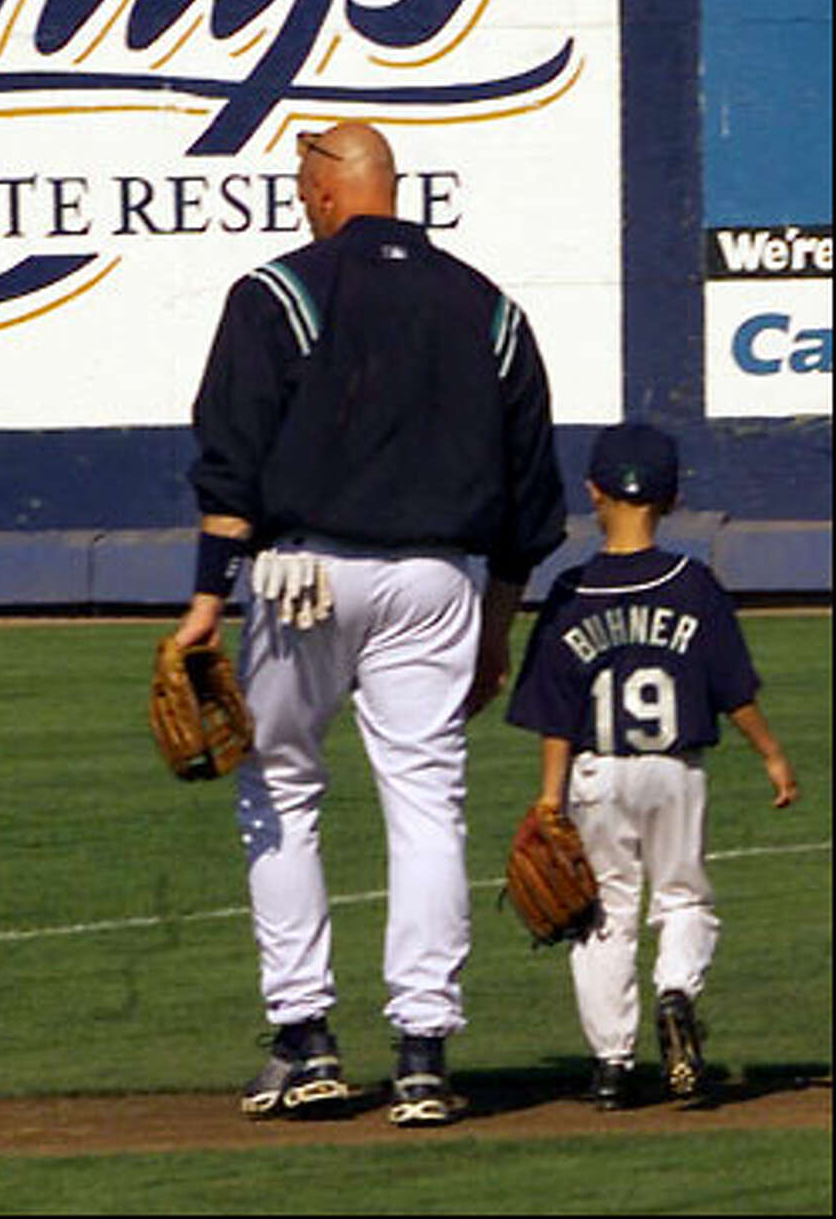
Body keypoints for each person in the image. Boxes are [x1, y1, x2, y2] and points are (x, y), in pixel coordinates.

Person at [173, 121, 566, 1125]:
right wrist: (497, 624)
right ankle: (426, 1051)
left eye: (306, 188)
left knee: (281, 786)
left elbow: (233, 457)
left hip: (304, 569)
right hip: (441, 580)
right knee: (427, 802)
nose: (303, 204)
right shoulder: (492, 308)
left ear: (327, 194)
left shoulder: (277, 293)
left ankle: (305, 1039)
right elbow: (530, 496)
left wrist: (208, 601)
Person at [506, 421, 799, 1110]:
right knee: (684, 897)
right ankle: (676, 990)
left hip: (596, 772)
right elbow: (735, 691)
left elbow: (557, 713)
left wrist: (549, 798)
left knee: (602, 912)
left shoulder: (573, 590)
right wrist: (773, 755)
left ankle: (611, 1066)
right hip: (674, 768)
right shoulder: (693, 584)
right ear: (670, 499)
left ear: (594, 492)